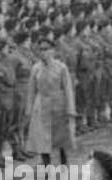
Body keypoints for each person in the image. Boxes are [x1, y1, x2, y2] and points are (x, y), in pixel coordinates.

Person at [25, 36, 75, 165]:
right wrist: (29, 109)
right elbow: (31, 90)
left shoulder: (61, 67)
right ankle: (46, 165)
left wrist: (70, 108)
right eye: (41, 49)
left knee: (61, 137)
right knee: (42, 138)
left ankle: (64, 163)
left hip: (58, 104)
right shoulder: (36, 68)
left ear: (53, 50)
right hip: (41, 105)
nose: (43, 52)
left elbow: (68, 88)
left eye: (46, 49)